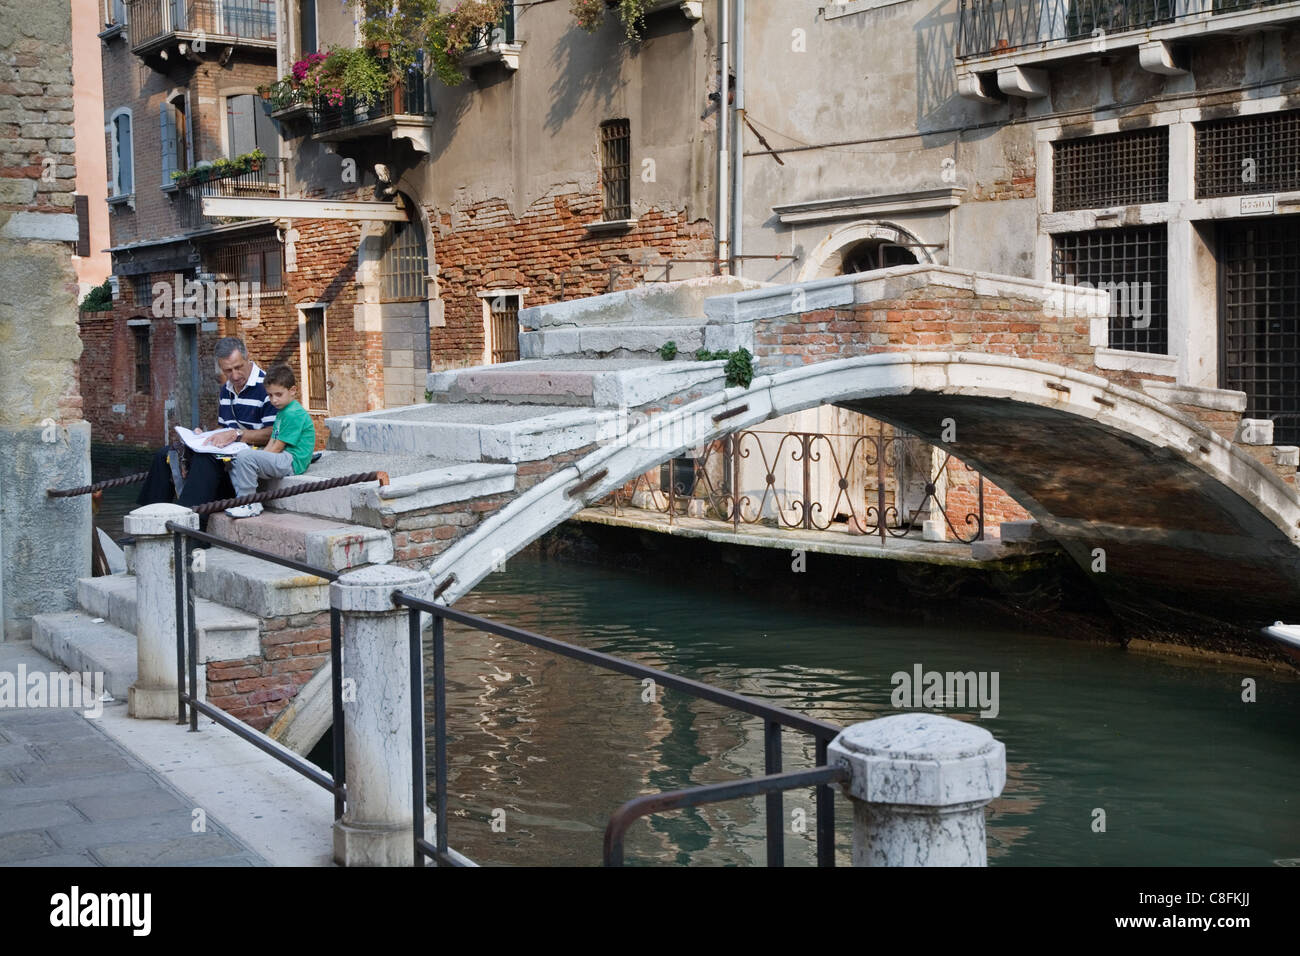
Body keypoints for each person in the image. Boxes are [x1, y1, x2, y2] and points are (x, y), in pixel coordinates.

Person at [136, 337, 278, 519]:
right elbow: (224, 426)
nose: (234, 376)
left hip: (246, 462)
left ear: (247, 358)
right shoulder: (226, 389)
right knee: (165, 454)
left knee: (206, 460)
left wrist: (236, 434)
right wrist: (206, 436)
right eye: (228, 370)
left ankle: (186, 521)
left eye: (238, 367)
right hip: (227, 452)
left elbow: (273, 433)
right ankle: (146, 519)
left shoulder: (267, 387)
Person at [225, 364, 316, 519]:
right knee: (235, 459)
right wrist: (258, 458)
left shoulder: (294, 413)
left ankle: (250, 502)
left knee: (245, 457)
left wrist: (256, 459)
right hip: (282, 458)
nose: (274, 400)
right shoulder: (282, 412)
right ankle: (246, 499)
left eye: (278, 394)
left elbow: (277, 447)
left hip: (292, 461)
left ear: (293, 390)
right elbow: (272, 441)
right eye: (270, 395)